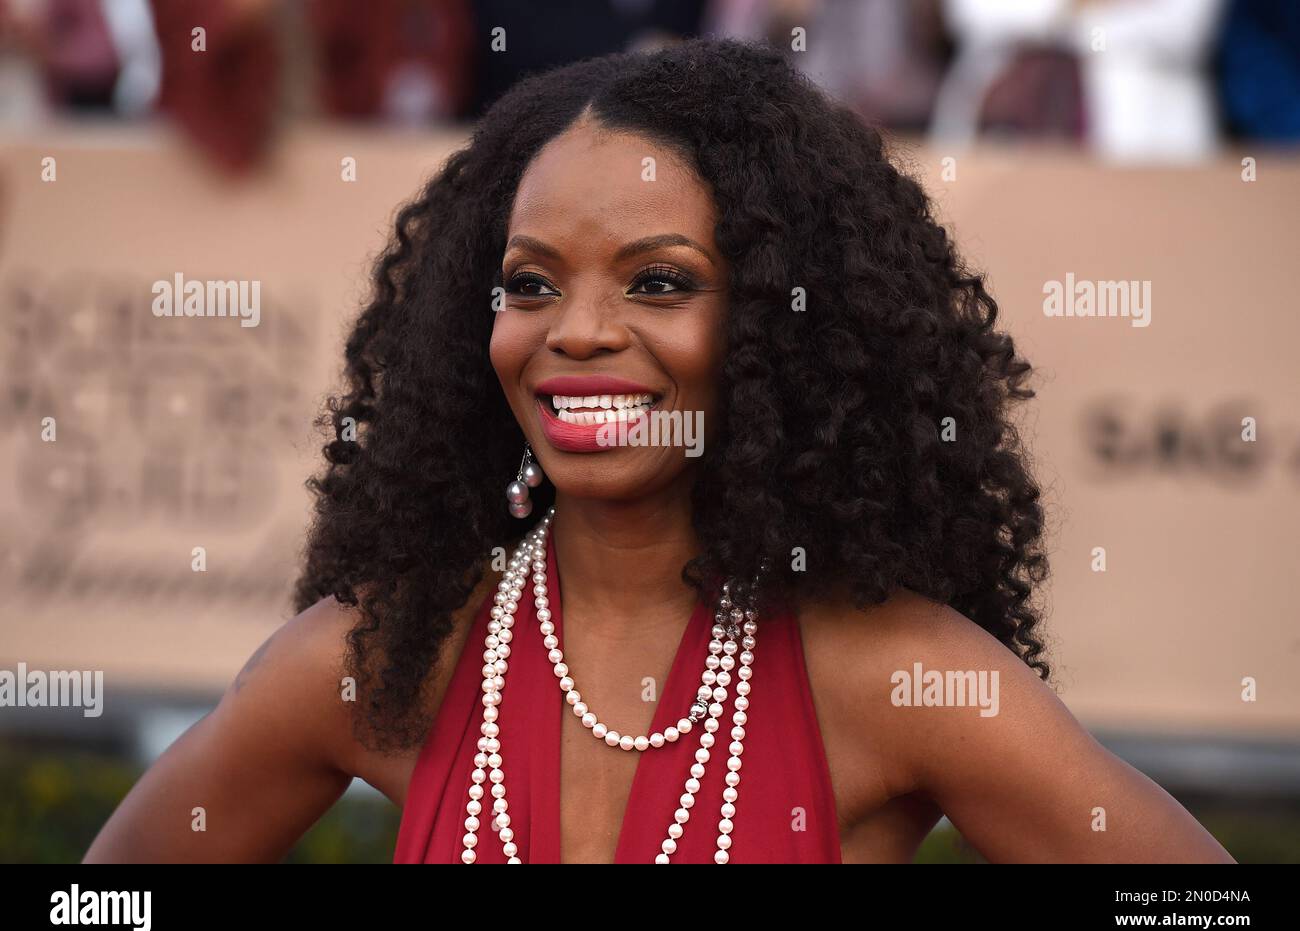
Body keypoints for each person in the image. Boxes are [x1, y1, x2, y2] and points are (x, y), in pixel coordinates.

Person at [85, 38, 1234, 864]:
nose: (577, 331)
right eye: (529, 283)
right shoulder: (383, 657)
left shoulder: (903, 679)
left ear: (784, 327)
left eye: (659, 282)